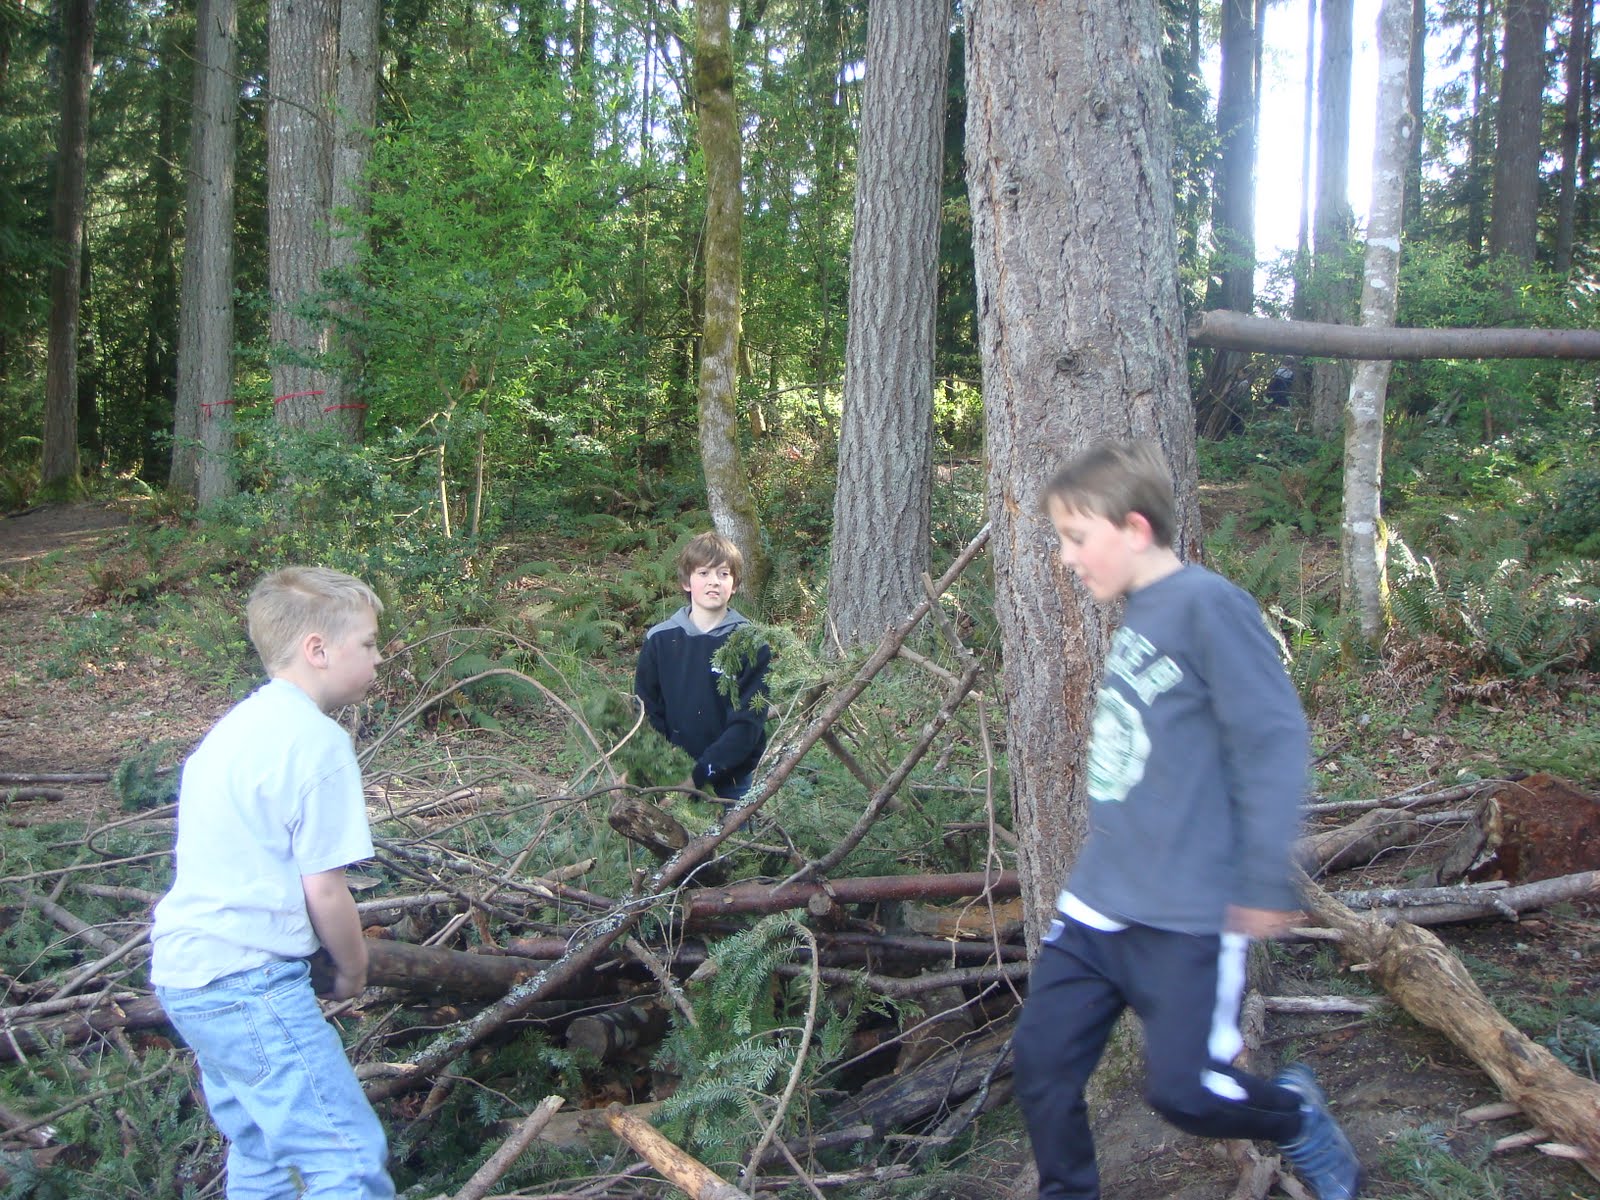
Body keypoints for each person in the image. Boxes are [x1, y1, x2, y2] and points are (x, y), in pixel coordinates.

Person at [1013, 440, 1360, 1200]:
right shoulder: (1141, 609)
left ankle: (1295, 1115)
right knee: (1041, 1068)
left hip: (1188, 913)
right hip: (1099, 902)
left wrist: (1263, 877)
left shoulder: (1210, 605)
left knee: (1186, 1094)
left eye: (1076, 538)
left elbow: (1272, 740)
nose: (1067, 558)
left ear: (1134, 529)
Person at [151, 566, 394, 1199]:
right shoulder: (317, 741)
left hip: (187, 976)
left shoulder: (234, 730)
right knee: (345, 1156)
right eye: (367, 643)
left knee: (266, 1152)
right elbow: (324, 889)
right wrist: (353, 967)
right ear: (318, 649)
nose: (378, 656)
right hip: (249, 982)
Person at [634, 531, 771, 805]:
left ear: (734, 585)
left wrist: (697, 777)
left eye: (723, 574)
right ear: (687, 582)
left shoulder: (750, 643)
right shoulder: (660, 640)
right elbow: (648, 712)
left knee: (735, 848)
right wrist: (654, 769)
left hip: (731, 782)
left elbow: (747, 725)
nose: (714, 582)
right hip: (671, 778)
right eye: (704, 573)